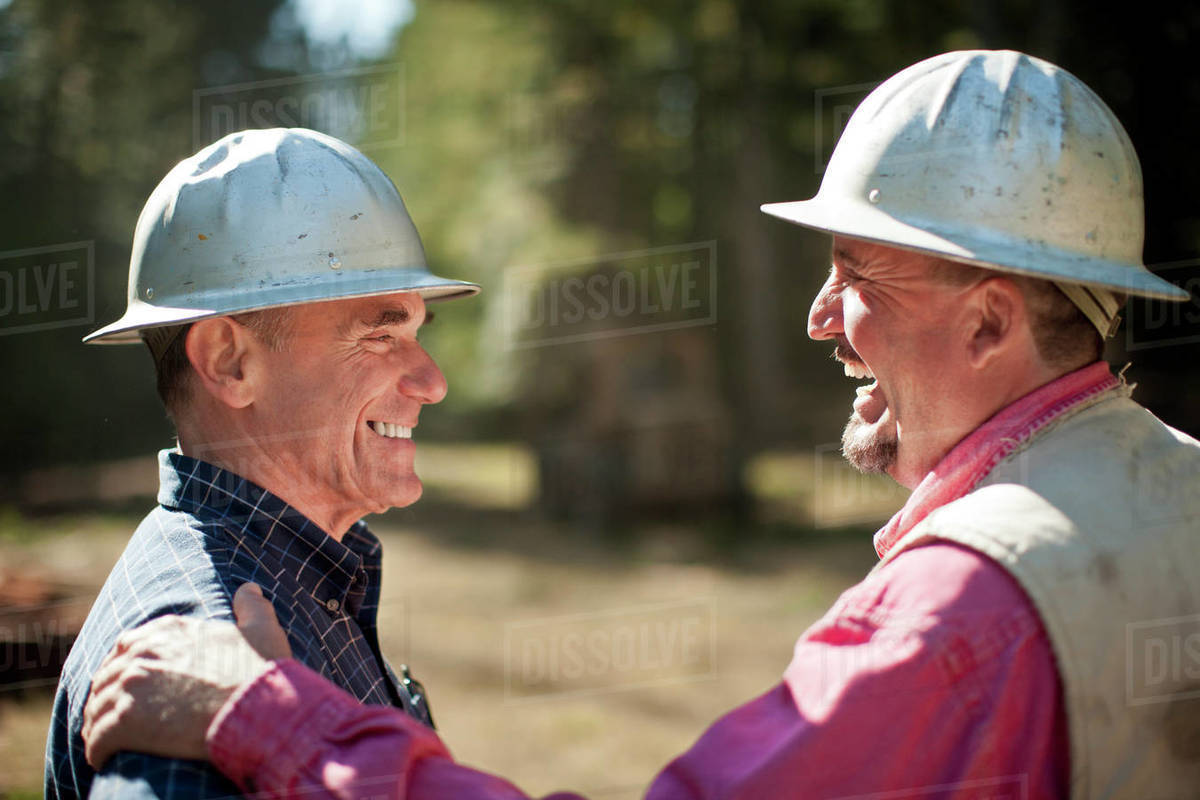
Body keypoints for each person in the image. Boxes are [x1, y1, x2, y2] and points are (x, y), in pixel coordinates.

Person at [81, 50, 1200, 799]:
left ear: (991, 321)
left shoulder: (963, 609)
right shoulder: (1176, 490)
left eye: (857, 274)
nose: (820, 317)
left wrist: (276, 722)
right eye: (381, 331)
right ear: (225, 360)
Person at [46, 127, 479, 798]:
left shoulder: (247, 642)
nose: (433, 381)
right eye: (380, 335)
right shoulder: (198, 673)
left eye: (415, 334)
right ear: (229, 363)